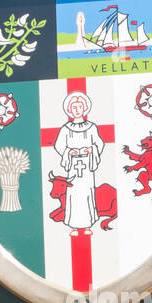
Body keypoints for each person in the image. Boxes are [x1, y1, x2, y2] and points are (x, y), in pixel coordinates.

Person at [51, 91, 105, 230]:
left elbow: (99, 143)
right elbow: (58, 145)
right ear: (69, 110)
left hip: (87, 166)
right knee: (73, 194)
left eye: (79, 107)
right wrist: (69, 152)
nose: (77, 110)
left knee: (87, 192)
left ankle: (88, 225)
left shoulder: (92, 127)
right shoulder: (65, 129)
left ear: (85, 108)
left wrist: (91, 149)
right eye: (74, 107)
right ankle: (74, 226)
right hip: (73, 166)